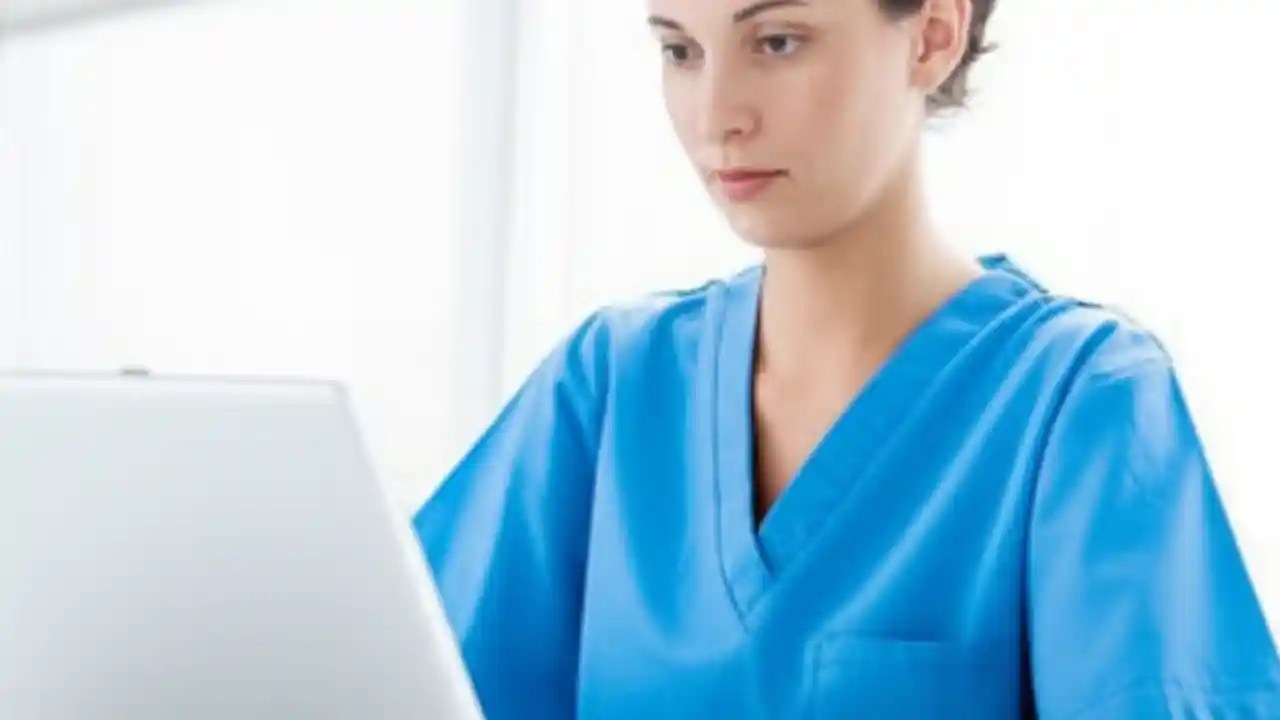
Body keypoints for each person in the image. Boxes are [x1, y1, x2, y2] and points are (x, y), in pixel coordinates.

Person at [413, 0, 1280, 716]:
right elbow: (394, 677)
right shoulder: (609, 387)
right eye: (680, 50)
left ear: (933, 34)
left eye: (777, 43)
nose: (717, 115)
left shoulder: (1077, 399)